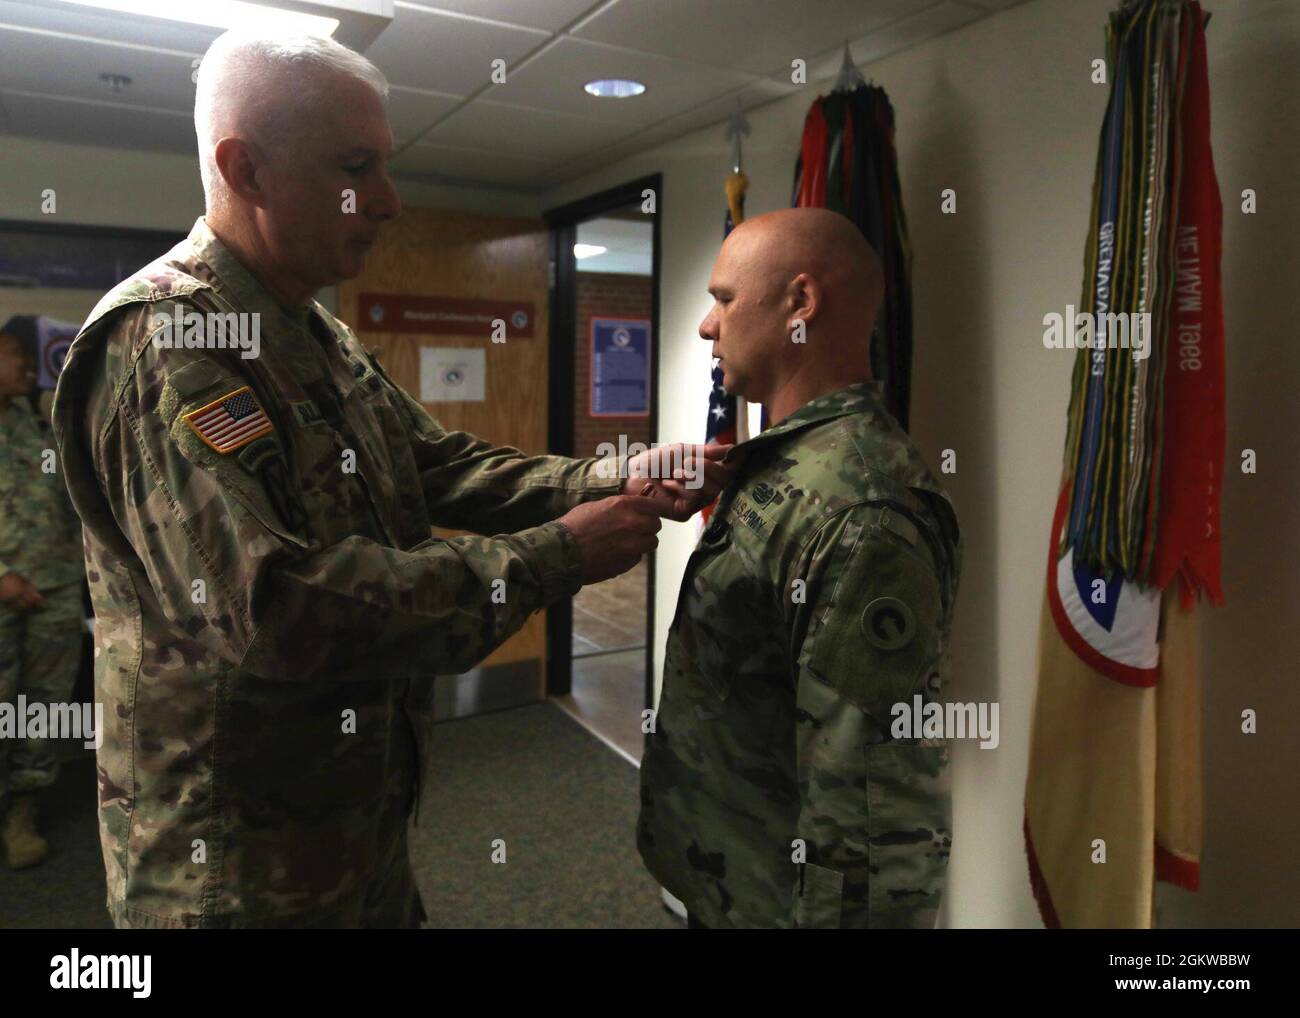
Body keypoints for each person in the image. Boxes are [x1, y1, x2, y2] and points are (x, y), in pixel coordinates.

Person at [50, 31, 733, 929]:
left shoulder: (310, 331)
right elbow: (279, 612)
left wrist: (612, 476)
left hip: (350, 821)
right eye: (355, 167)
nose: (387, 200)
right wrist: (555, 555)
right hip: (233, 865)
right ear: (244, 169)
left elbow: (437, 465)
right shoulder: (166, 345)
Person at [637, 207, 962, 929]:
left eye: (723, 299)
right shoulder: (782, 460)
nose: (706, 325)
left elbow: (875, 803)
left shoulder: (863, 504)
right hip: (734, 880)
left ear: (800, 304)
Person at [0, 329, 86, 869]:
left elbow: (69, 499)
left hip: (55, 587)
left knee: (42, 707)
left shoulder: (36, 424)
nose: (29, 366)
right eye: (15, 357)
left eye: (32, 360)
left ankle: (22, 811)